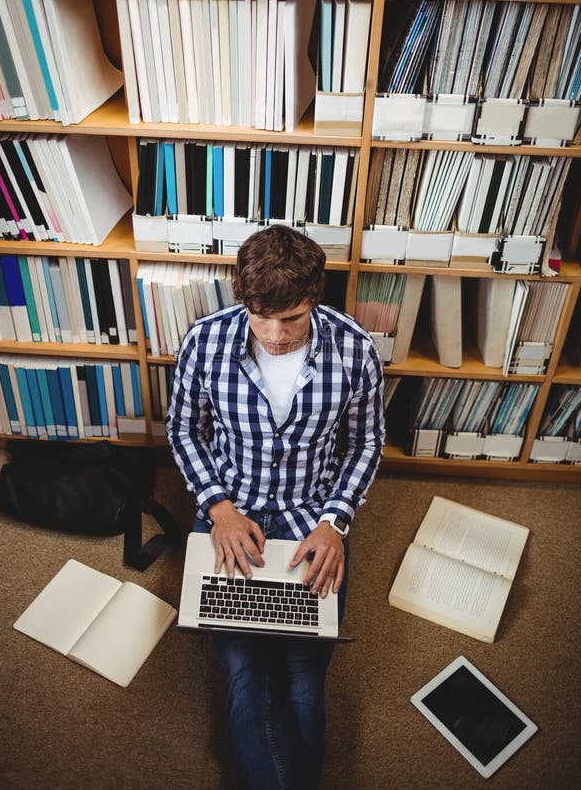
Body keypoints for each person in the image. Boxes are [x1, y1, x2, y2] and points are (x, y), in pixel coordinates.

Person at [167, 224, 385, 790]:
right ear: (244, 300)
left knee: (305, 673)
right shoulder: (204, 341)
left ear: (314, 298)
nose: (275, 335)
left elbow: (366, 443)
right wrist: (218, 508)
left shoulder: (355, 349)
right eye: (261, 317)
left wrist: (335, 523)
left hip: (311, 515)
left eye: (292, 318)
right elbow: (184, 430)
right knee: (245, 670)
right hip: (229, 507)